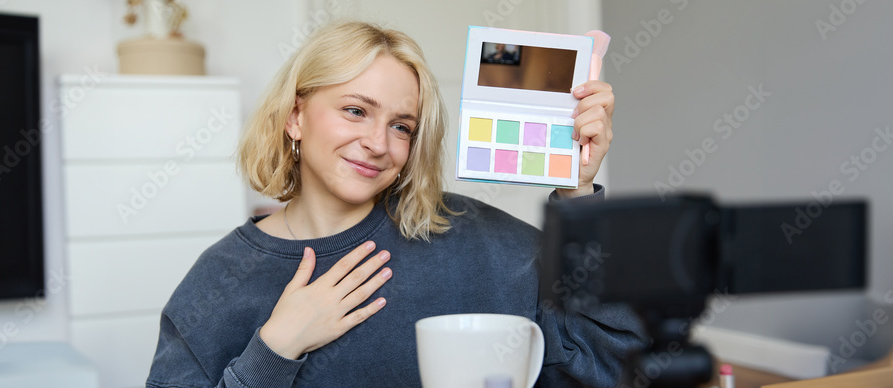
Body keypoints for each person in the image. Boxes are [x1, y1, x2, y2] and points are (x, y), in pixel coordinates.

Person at [146, 21, 646, 388]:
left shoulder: (480, 241)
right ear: (295, 116)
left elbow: (616, 358)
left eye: (401, 126)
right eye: (355, 110)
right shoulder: (216, 284)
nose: (377, 143)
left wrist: (578, 194)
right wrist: (275, 349)